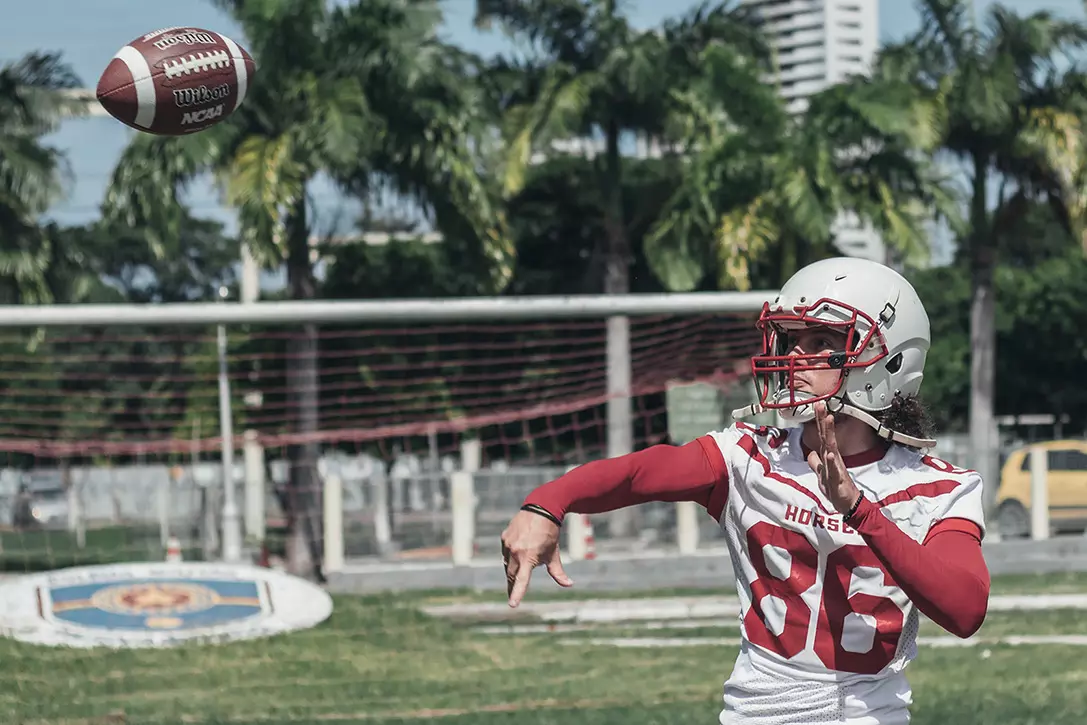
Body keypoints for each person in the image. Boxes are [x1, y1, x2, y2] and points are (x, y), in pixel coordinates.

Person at [500, 257, 990, 725]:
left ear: (889, 359)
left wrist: (859, 510)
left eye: (821, 339)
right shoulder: (749, 455)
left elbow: (965, 610)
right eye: (791, 339)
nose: (795, 356)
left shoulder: (936, 487)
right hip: (755, 713)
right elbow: (643, 471)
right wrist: (547, 502)